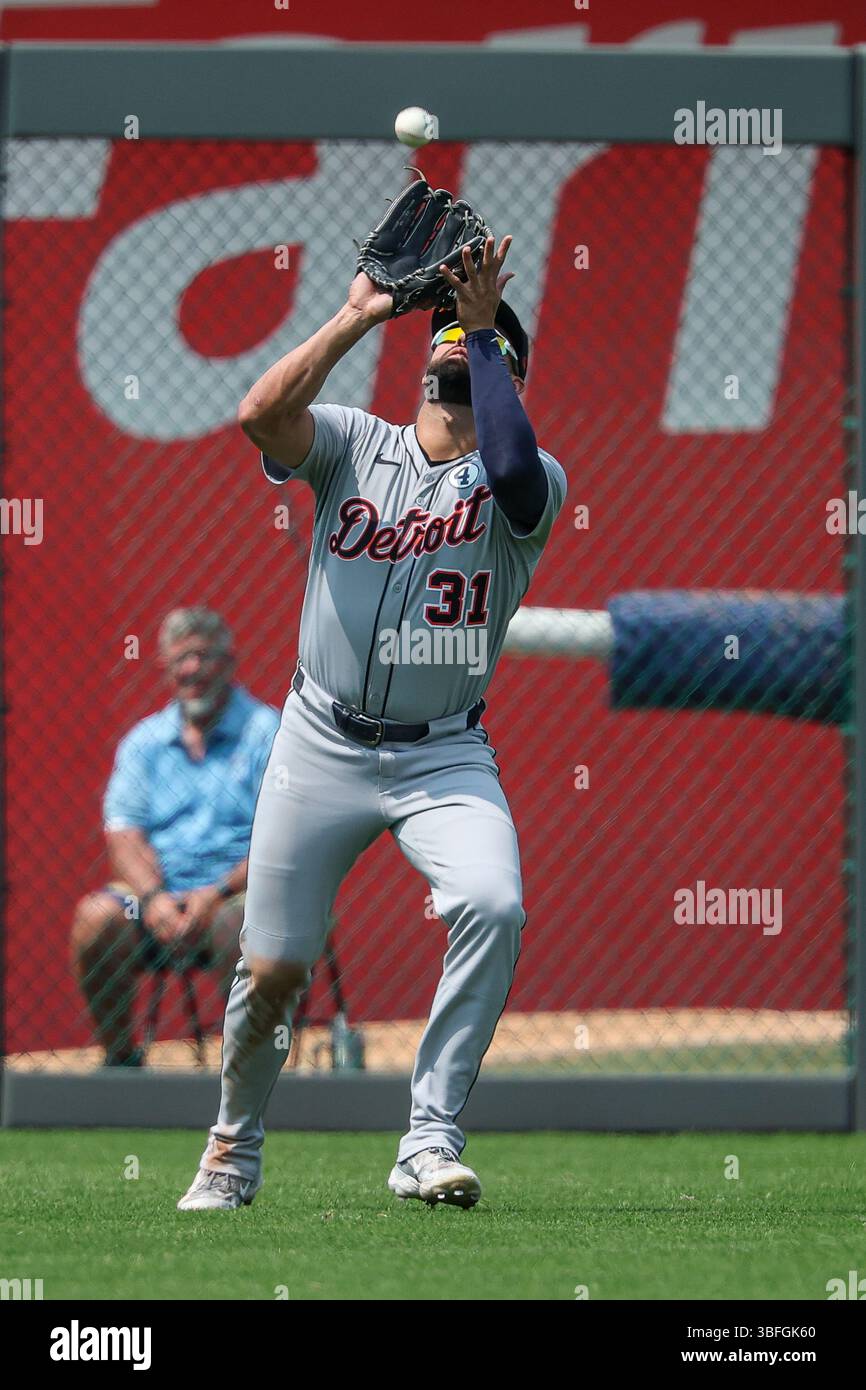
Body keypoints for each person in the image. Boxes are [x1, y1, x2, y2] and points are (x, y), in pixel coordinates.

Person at [177, 235, 567, 1211]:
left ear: (504, 378)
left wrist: (484, 334)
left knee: (493, 902)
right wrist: (357, 314)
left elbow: (512, 465)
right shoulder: (356, 442)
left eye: (476, 362)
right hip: (320, 741)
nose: (455, 372)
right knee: (272, 969)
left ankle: (427, 1138)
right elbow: (258, 415)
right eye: (443, 354)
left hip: (443, 755)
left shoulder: (526, 484)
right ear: (420, 364)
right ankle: (232, 1144)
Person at [70, 608, 279, 1067]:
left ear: (228, 663)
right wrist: (153, 898)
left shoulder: (268, 734)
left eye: (203, 656)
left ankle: (245, 1072)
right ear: (164, 666)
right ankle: (121, 1060)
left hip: (239, 896)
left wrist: (218, 892)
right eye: (181, 658)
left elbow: (283, 837)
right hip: (157, 900)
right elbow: (123, 835)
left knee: (235, 926)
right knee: (97, 917)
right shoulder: (144, 743)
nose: (192, 669)